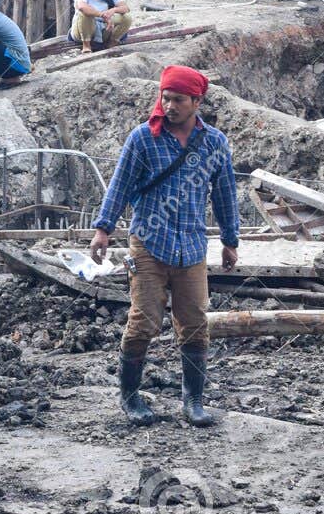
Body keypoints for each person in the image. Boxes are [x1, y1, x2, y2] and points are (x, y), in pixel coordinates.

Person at [88, 65, 239, 429]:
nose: (169, 106)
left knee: (195, 323)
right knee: (143, 322)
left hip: (191, 246)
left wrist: (230, 240)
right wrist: (103, 230)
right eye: (165, 98)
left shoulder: (215, 143)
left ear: (196, 101)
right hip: (148, 244)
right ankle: (129, 397)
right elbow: (120, 185)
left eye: (178, 100)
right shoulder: (143, 138)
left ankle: (193, 401)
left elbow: (224, 194)